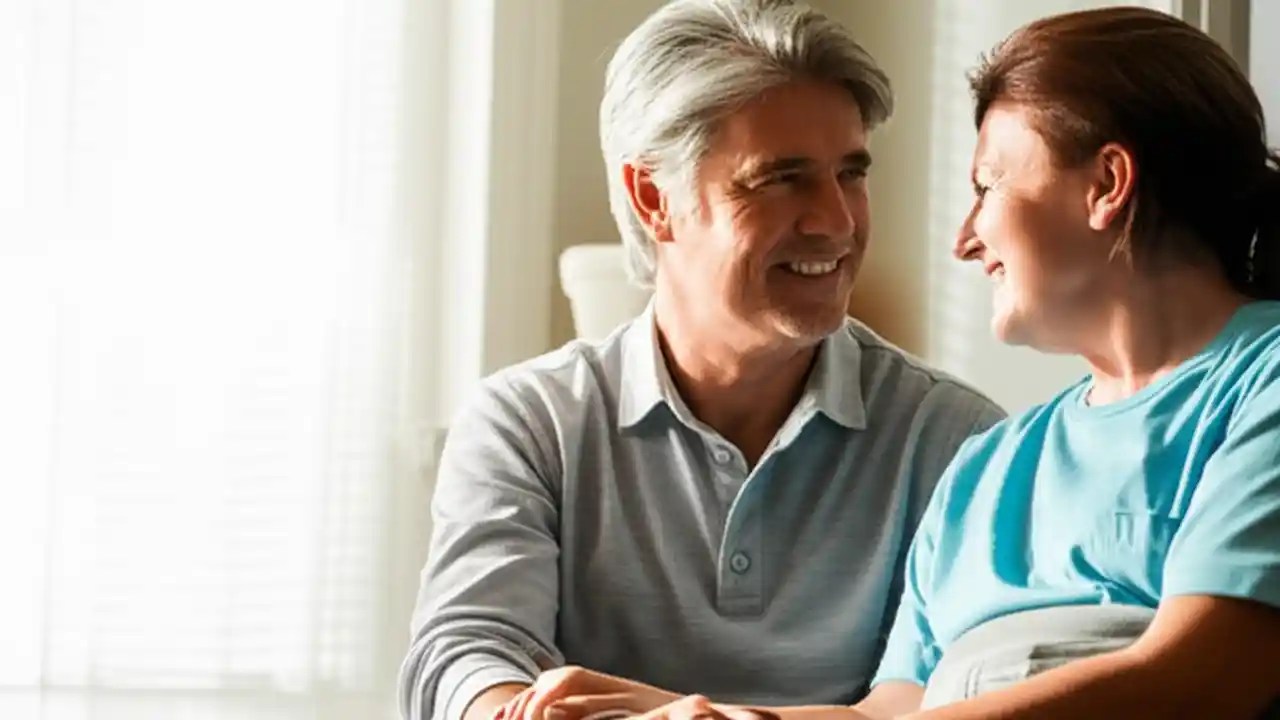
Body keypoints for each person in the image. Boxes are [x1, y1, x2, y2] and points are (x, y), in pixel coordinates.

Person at [617, 7, 1280, 720]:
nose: (965, 239)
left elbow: (1200, 677)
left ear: (1107, 185)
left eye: (987, 186)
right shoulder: (987, 465)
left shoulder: (1260, 385)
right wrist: (689, 715)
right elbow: (888, 712)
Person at [395, 1, 1004, 719]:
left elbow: (963, 696)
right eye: (782, 179)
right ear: (654, 198)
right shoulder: (530, 424)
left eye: (850, 174)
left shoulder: (959, 441)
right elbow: (465, 651)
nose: (836, 222)